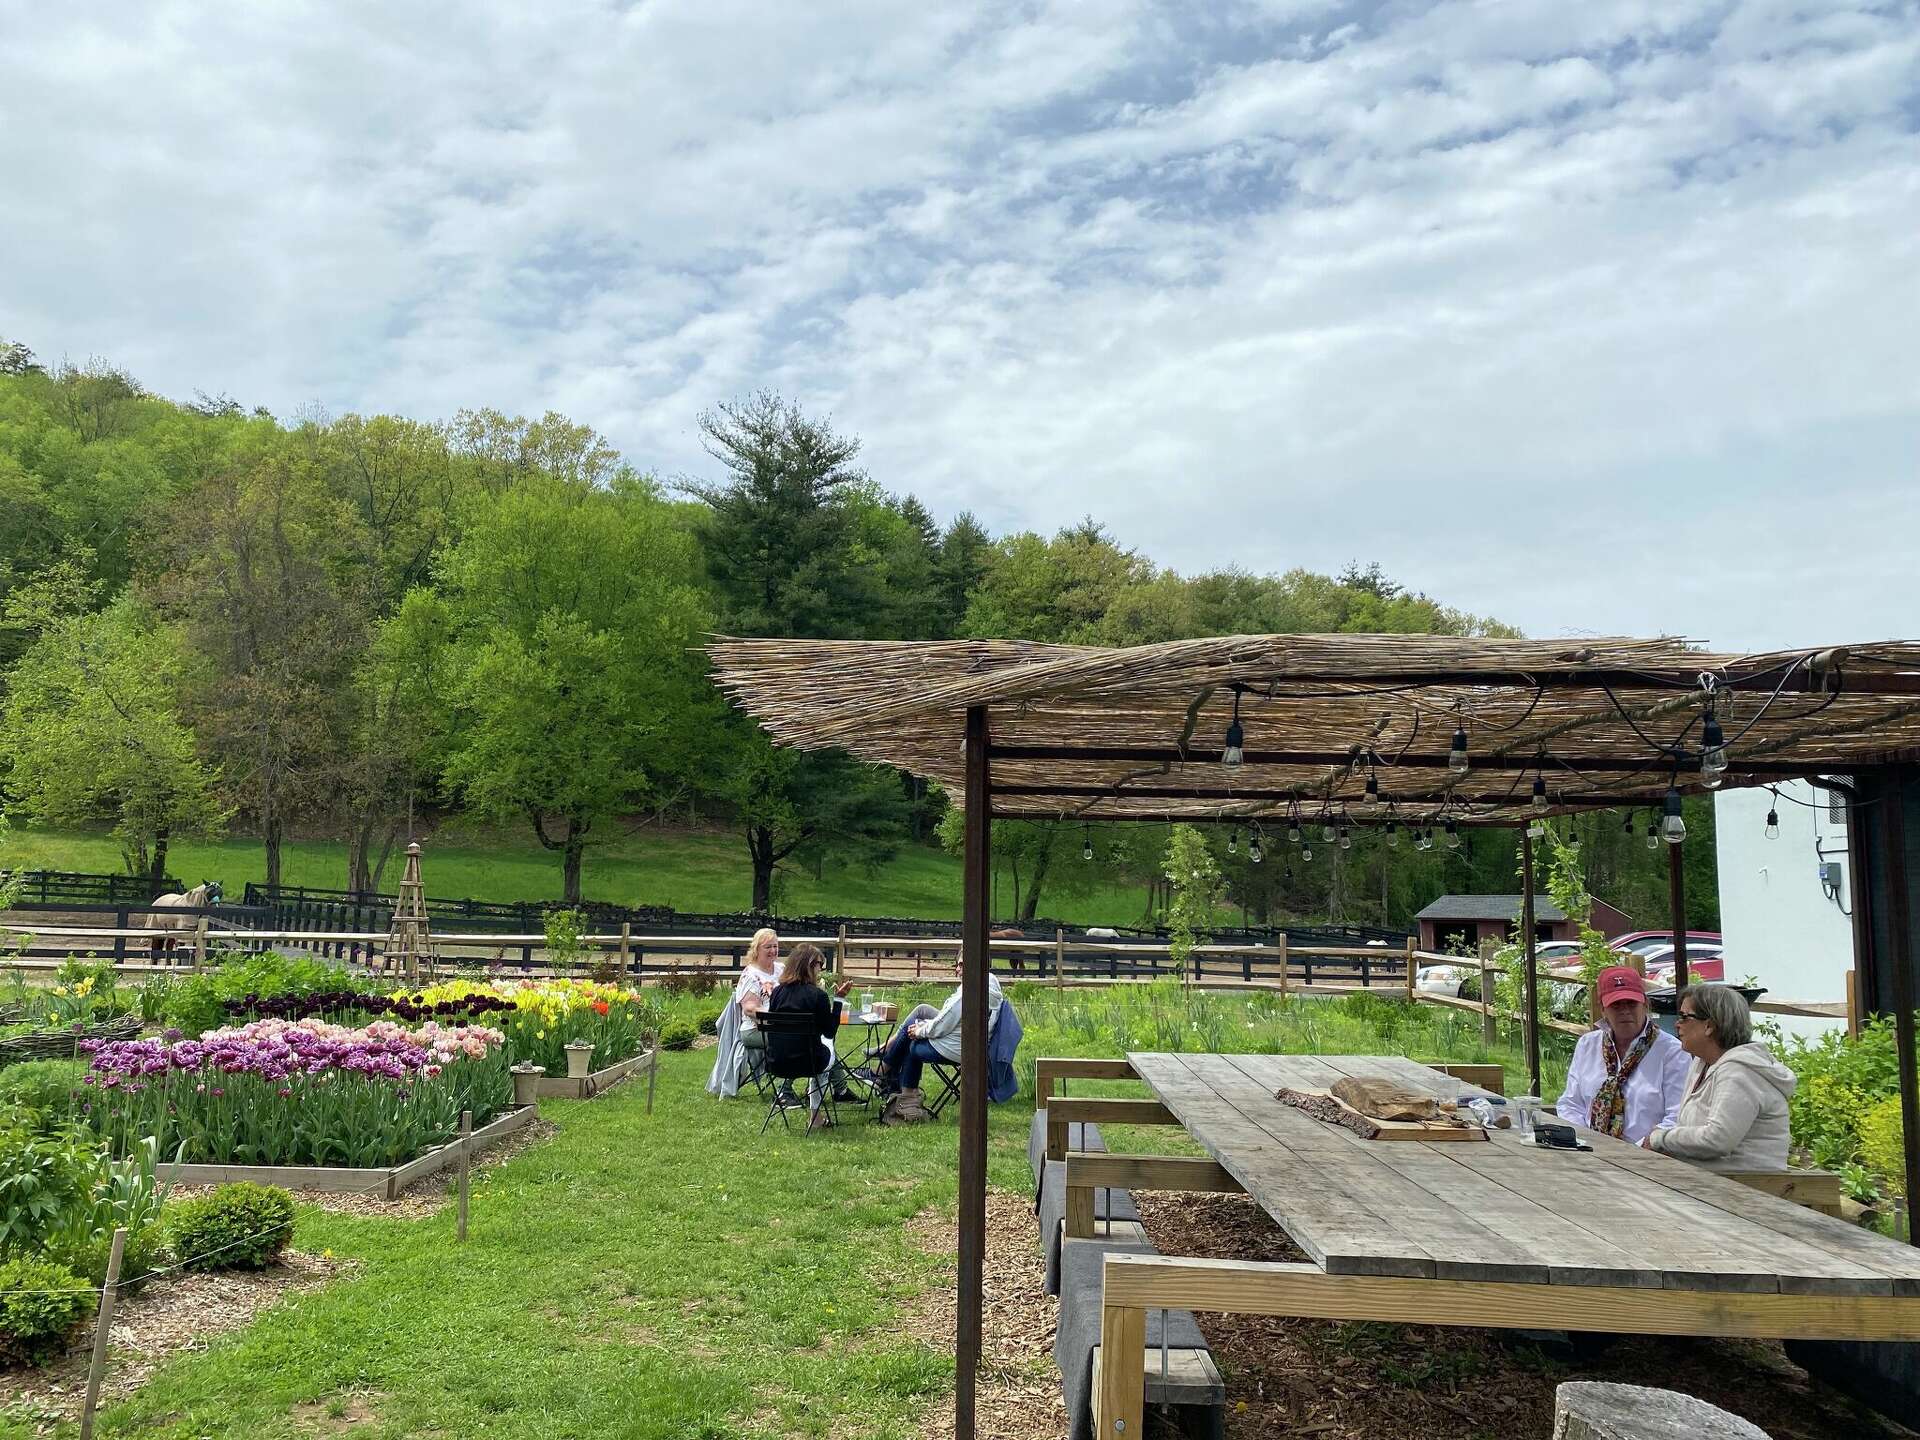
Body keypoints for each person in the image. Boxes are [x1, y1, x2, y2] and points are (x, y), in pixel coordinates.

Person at [1644, 983, 1796, 1171]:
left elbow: (1717, 1140)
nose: (1677, 1023)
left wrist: (1660, 1138)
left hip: (1747, 1185)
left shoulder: (1740, 1071)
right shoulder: (1702, 1063)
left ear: (1709, 1026)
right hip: (1706, 1180)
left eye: (1684, 1017)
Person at [1555, 966, 1692, 1144]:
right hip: (1589, 1149)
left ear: (1645, 1004)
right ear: (1603, 1009)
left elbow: (1677, 1117)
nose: (1624, 1010)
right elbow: (1570, 1104)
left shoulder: (1673, 1052)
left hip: (1648, 1153)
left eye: (1631, 1003)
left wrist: (1639, 1148)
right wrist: (1585, 1140)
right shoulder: (1587, 1045)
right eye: (1616, 1005)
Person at [870, 953, 1004, 1097]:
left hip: (958, 1048)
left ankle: (893, 1081)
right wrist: (923, 1026)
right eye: (958, 964)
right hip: (973, 1043)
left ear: (975, 965)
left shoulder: (967, 994)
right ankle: (887, 1058)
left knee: (912, 1038)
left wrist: (920, 1030)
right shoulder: (989, 981)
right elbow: (948, 1020)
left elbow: (942, 1026)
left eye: (961, 965)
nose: (957, 969)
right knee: (922, 1011)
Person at [765, 943, 853, 1130]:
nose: (820, 970)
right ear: (809, 965)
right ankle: (815, 1117)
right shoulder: (817, 996)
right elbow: (829, 1031)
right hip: (809, 1063)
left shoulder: (777, 992)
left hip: (776, 1062)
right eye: (819, 965)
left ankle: (808, 1106)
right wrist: (838, 1000)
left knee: (818, 1050)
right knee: (827, 1047)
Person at [706, 928, 781, 1098]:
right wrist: (776, 1018)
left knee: (813, 1037)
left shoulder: (781, 970)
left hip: (780, 1026)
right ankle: (785, 1090)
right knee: (794, 1039)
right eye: (768, 947)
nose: (773, 950)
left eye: (775, 946)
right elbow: (750, 1009)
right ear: (757, 949)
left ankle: (837, 1088)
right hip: (754, 1030)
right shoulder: (751, 975)